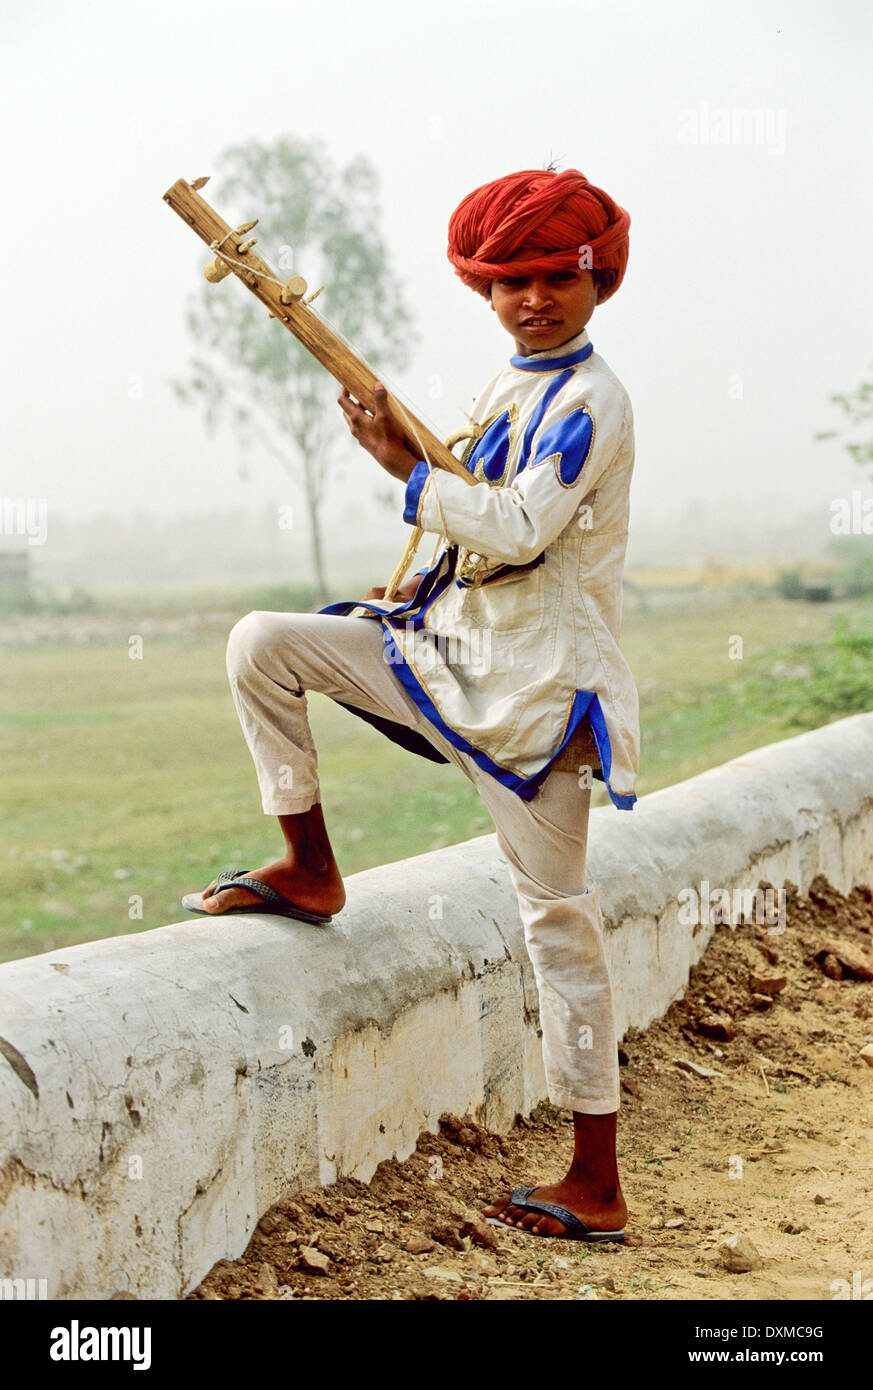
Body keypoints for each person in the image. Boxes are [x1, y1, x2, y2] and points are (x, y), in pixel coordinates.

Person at [182, 166, 639, 1242]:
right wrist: (402, 455)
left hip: (537, 699)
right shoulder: (507, 386)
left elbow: (520, 526)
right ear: (486, 292)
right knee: (266, 645)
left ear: (595, 279)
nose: (536, 298)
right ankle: (310, 865)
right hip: (443, 656)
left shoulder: (594, 400)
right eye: (513, 281)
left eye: (556, 276)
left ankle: (598, 1182)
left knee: (558, 927)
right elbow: (461, 503)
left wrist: (416, 481)